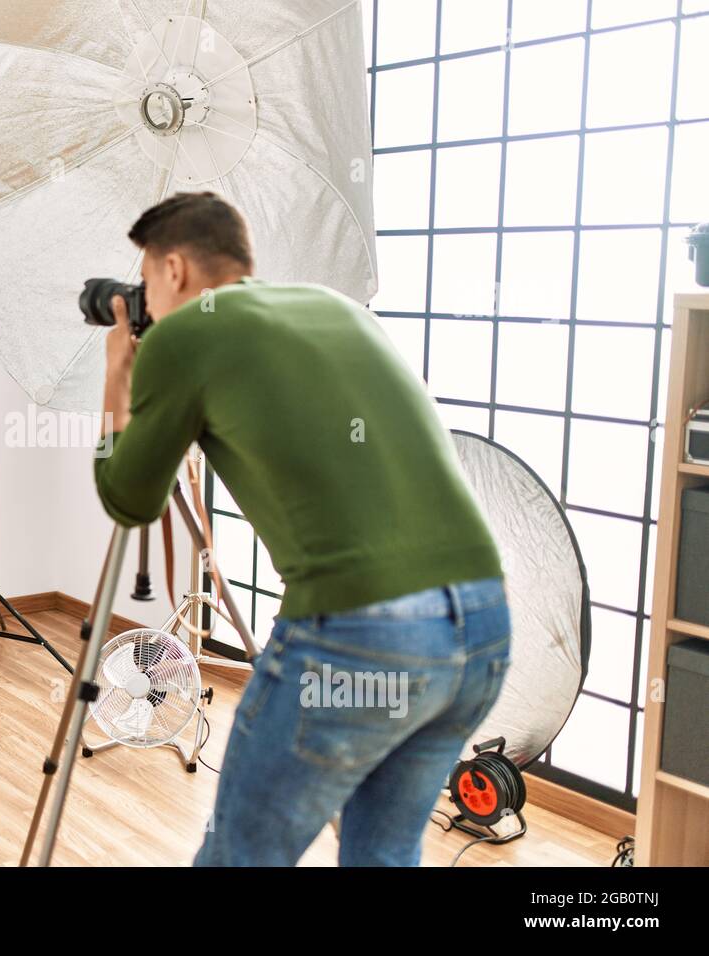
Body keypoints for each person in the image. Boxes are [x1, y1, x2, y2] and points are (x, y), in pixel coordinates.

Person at [92, 191, 511, 866]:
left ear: (173, 270)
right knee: (382, 856)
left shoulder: (183, 334)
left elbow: (129, 499)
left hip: (362, 631)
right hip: (482, 628)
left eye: (144, 282)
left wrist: (117, 383)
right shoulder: (337, 309)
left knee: (240, 857)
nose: (145, 302)